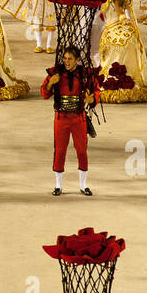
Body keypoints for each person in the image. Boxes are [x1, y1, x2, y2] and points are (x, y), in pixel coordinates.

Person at [40, 46, 99, 197]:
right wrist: (50, 83)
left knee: (81, 150)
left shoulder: (84, 74)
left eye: (70, 59)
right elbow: (44, 94)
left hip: (78, 118)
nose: (66, 62)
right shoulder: (56, 73)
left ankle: (83, 185)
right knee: (60, 151)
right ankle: (58, 185)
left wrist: (92, 99)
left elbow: (96, 92)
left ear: (77, 60)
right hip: (61, 118)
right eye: (65, 58)